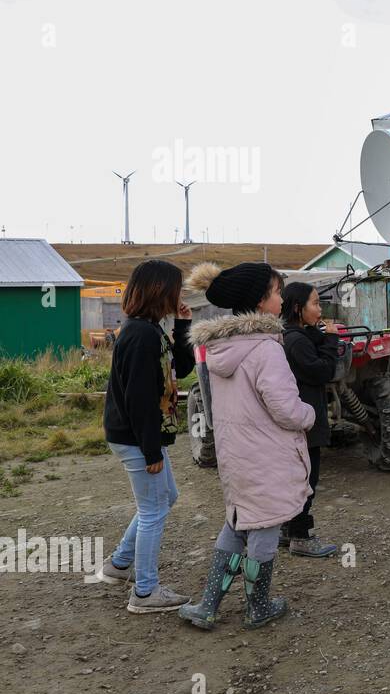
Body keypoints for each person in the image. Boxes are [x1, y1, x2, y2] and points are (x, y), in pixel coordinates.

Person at [179, 262, 315, 630]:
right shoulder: (266, 349)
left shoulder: (220, 348)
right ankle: (258, 606)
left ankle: (208, 607)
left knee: (238, 521)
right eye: (275, 292)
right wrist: (310, 415)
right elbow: (285, 409)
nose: (281, 297)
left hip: (235, 455)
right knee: (267, 524)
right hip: (267, 455)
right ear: (259, 301)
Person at [95, 260, 195, 614]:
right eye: (175, 288)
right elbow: (138, 400)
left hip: (140, 436)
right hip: (136, 437)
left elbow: (181, 369)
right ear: (159, 291)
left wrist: (183, 326)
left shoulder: (151, 330)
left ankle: (119, 564)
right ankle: (145, 592)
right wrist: (151, 450)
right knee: (153, 510)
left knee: (166, 497)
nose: (178, 295)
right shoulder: (139, 336)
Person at [278, 282, 341, 558]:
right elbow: (322, 372)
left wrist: (321, 332)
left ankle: (287, 530)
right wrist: (331, 341)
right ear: (296, 308)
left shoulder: (295, 335)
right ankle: (300, 537)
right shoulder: (296, 342)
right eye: (315, 304)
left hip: (299, 421)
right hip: (304, 422)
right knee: (306, 479)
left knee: (296, 478)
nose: (320, 309)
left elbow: (312, 339)